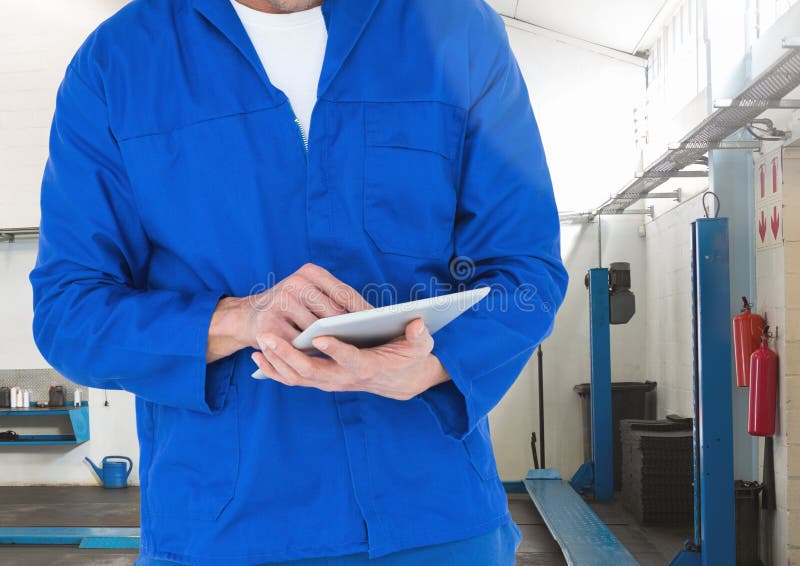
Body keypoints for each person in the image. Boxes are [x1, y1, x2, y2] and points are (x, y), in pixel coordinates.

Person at [30, 0, 567, 564]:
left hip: (436, 520)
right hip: (223, 531)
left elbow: (524, 268)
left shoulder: (455, 31)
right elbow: (69, 311)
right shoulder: (119, 63)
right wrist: (236, 319)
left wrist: (432, 364)